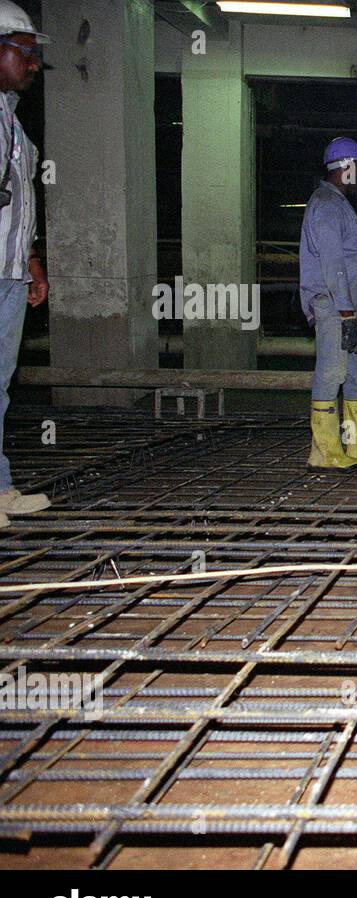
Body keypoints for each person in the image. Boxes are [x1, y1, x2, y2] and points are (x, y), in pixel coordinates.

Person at [299, 136, 357, 470]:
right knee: (331, 373)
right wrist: (347, 315)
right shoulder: (328, 205)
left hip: (347, 309)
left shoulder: (336, 204)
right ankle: (325, 453)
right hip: (334, 307)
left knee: (356, 375)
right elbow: (333, 265)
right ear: (347, 167)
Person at [0, 2, 50, 529]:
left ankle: (0, 488)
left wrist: (30, 260)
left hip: (9, 271)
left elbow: (16, 200)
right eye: (26, 53)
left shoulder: (11, 121)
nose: (33, 64)